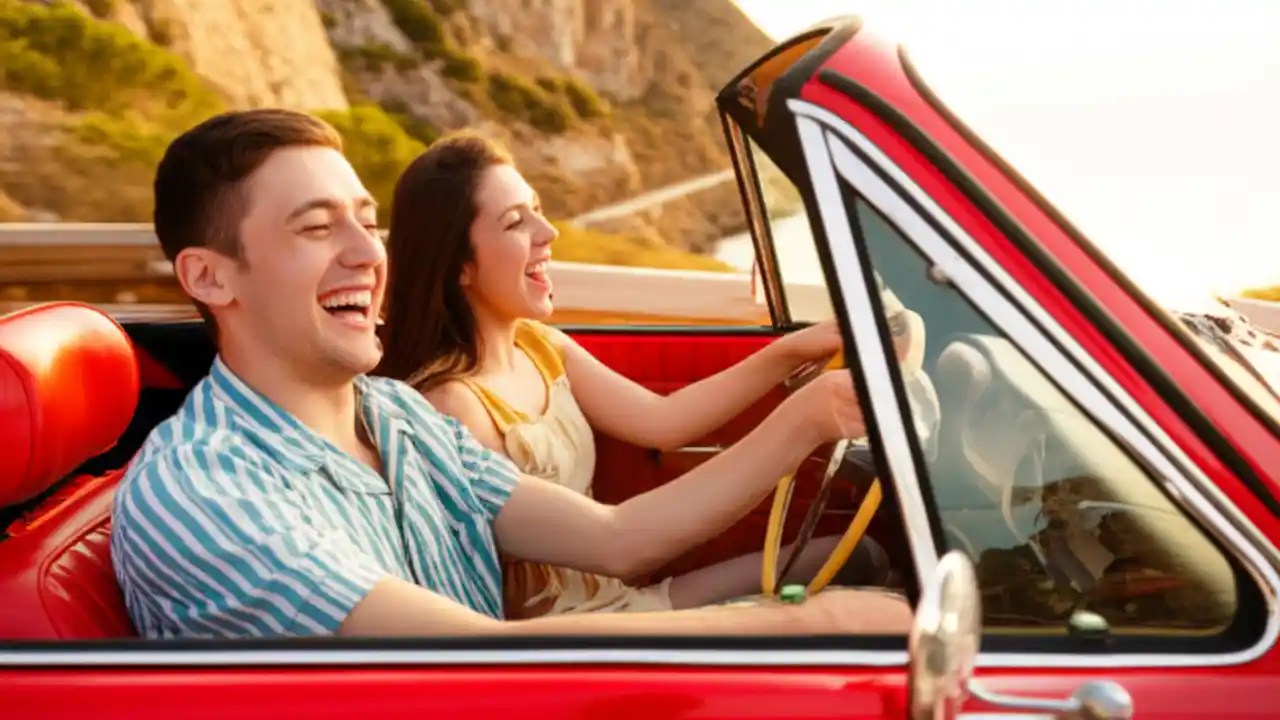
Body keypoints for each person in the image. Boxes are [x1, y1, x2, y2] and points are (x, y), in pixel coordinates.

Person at [110, 109, 913, 639]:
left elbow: (619, 540)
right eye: (317, 229)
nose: (365, 255)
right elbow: (486, 660)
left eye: (366, 221)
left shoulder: (394, 415)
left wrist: (818, 415)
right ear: (211, 278)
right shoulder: (205, 496)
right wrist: (800, 624)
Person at [375, 134, 898, 619]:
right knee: (857, 603)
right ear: (459, 265)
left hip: (625, 598)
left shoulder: (539, 345)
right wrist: (806, 417)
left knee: (863, 556)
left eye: (537, 209)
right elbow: (618, 545)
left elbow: (663, 421)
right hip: (583, 636)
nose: (549, 232)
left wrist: (788, 351)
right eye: (516, 223)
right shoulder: (451, 407)